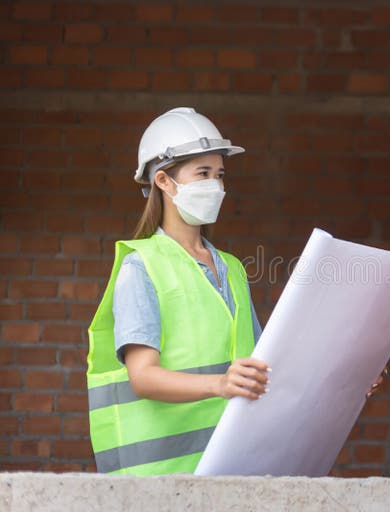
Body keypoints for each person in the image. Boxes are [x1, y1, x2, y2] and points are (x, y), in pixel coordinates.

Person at [86, 107, 271, 475]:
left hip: (228, 469)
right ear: (164, 181)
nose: (215, 185)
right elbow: (143, 376)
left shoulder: (232, 268)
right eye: (203, 173)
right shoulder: (141, 266)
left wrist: (346, 381)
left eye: (220, 175)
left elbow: (262, 365)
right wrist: (221, 384)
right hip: (161, 480)